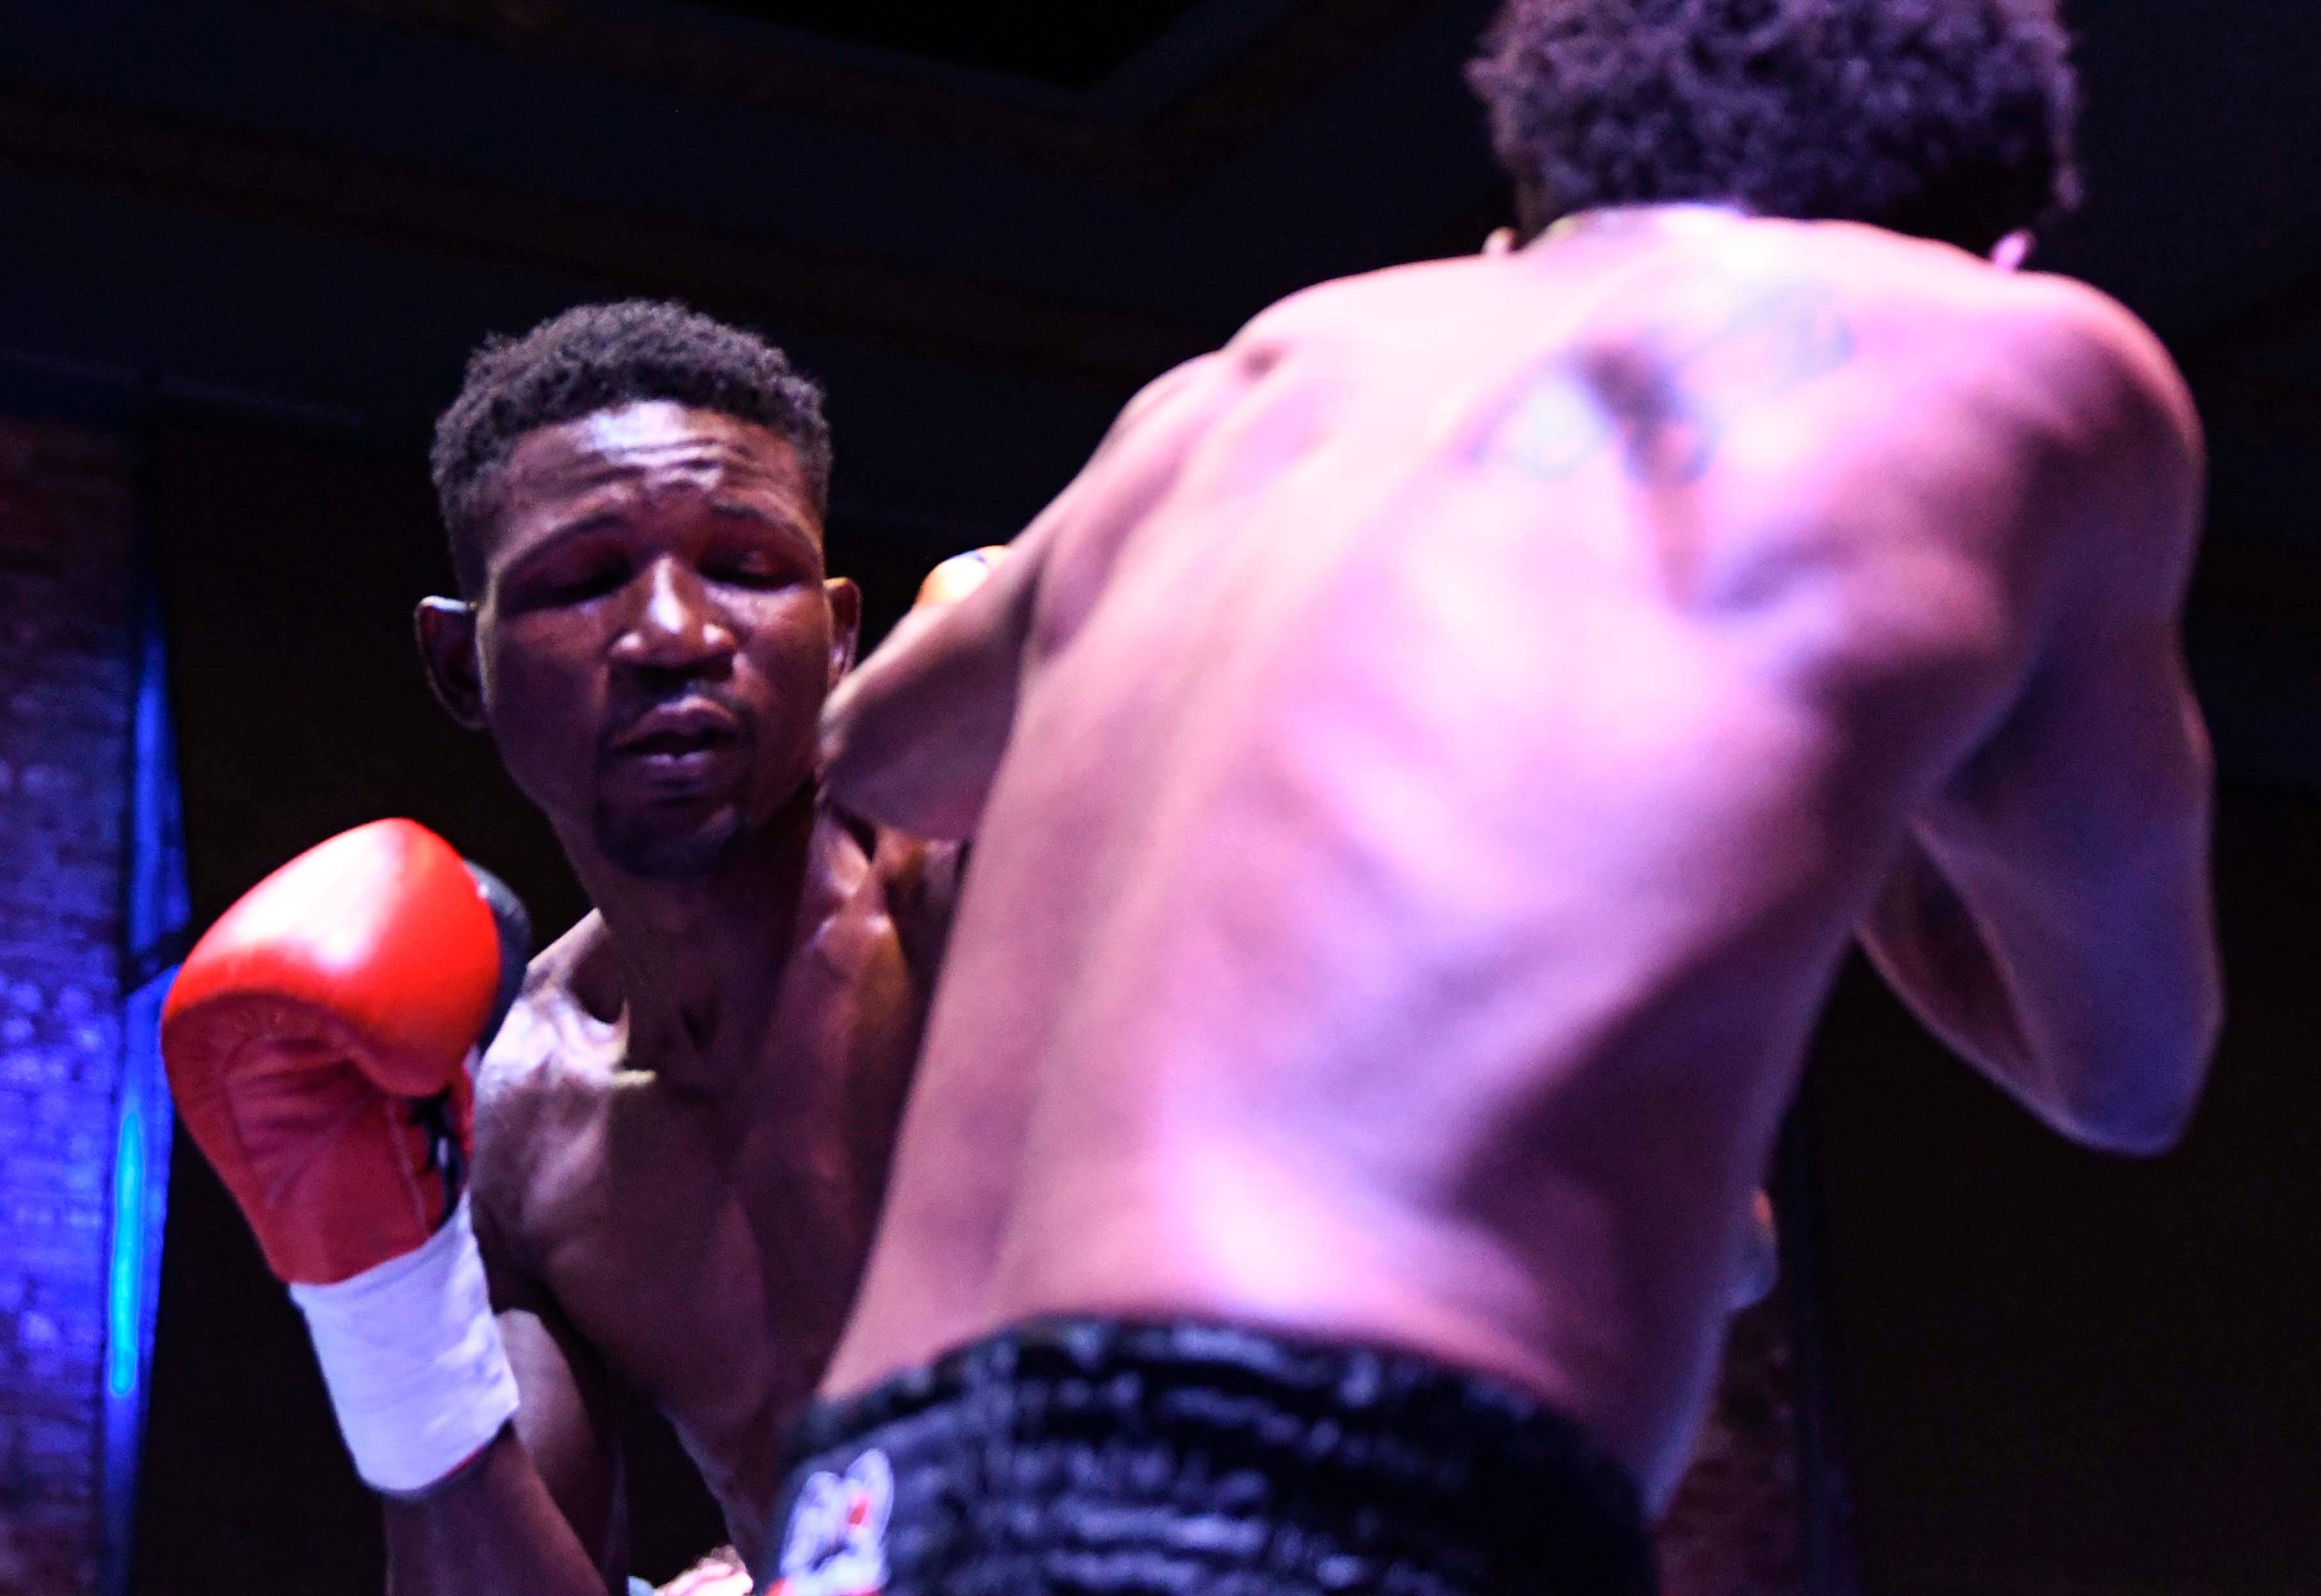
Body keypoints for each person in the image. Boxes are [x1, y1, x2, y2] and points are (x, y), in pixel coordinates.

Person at [791, 1, 2222, 1591]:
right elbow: (2125, 1068)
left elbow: (878, 754)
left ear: (1523, 220)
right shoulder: (2031, 366)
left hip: (882, 1488)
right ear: (1993, 248)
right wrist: (1890, 723)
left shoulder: (1254, 378)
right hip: (1334, 1463)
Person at [162, 302, 997, 1596]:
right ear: (459, 662)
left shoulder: (974, 883)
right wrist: (380, 1295)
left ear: (837, 633)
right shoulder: (530, 1121)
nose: (672, 633)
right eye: (580, 579)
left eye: (747, 566)